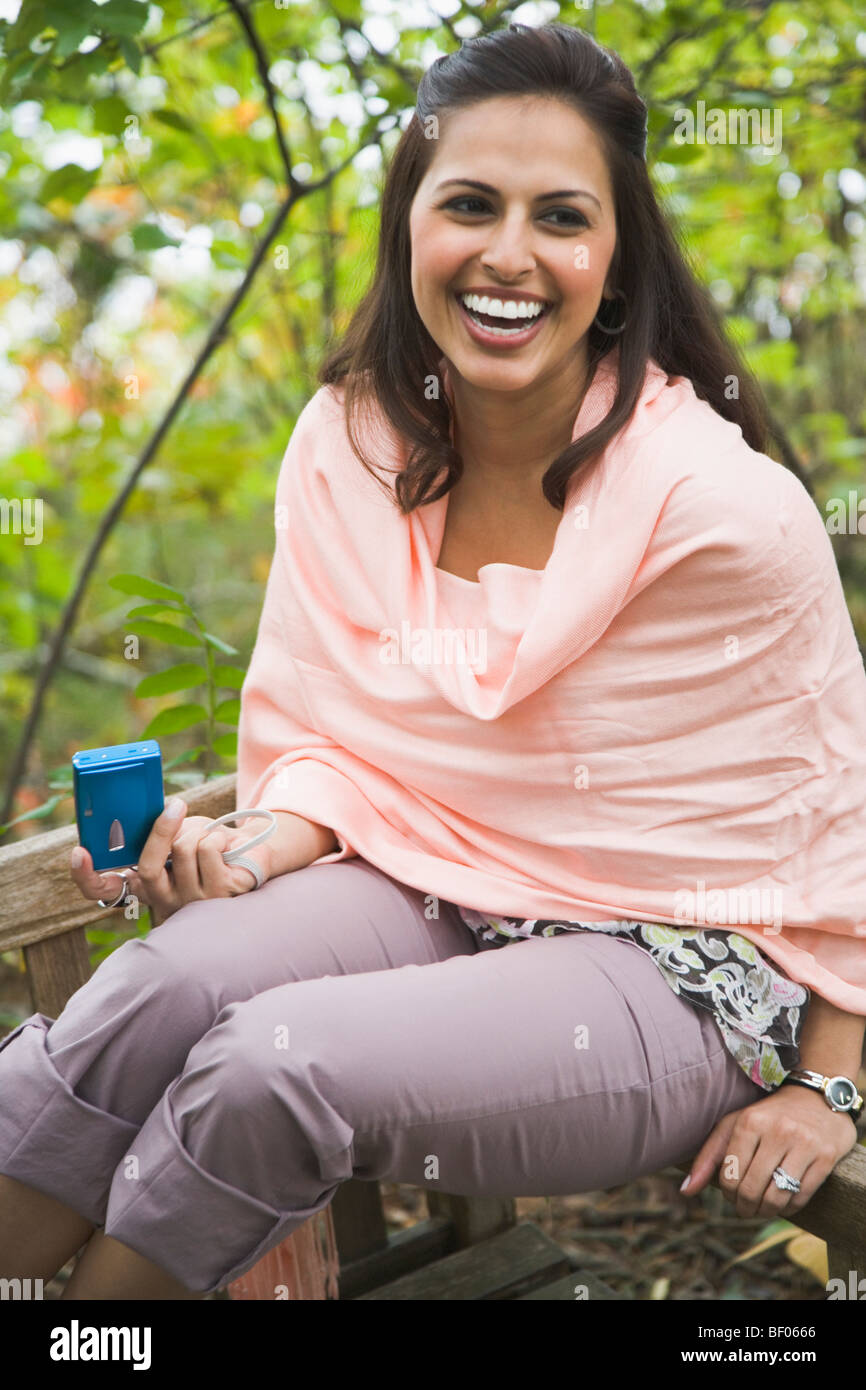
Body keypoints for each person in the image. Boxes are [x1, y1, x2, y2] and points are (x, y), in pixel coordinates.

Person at [1, 21, 864, 1302]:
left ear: (615, 258)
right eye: (469, 203)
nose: (508, 254)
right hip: (429, 885)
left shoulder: (723, 511)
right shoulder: (348, 445)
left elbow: (835, 828)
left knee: (270, 1064)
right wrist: (240, 851)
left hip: (673, 967)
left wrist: (827, 1082)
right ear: (412, 222)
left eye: (559, 217)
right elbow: (333, 751)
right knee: (162, 985)